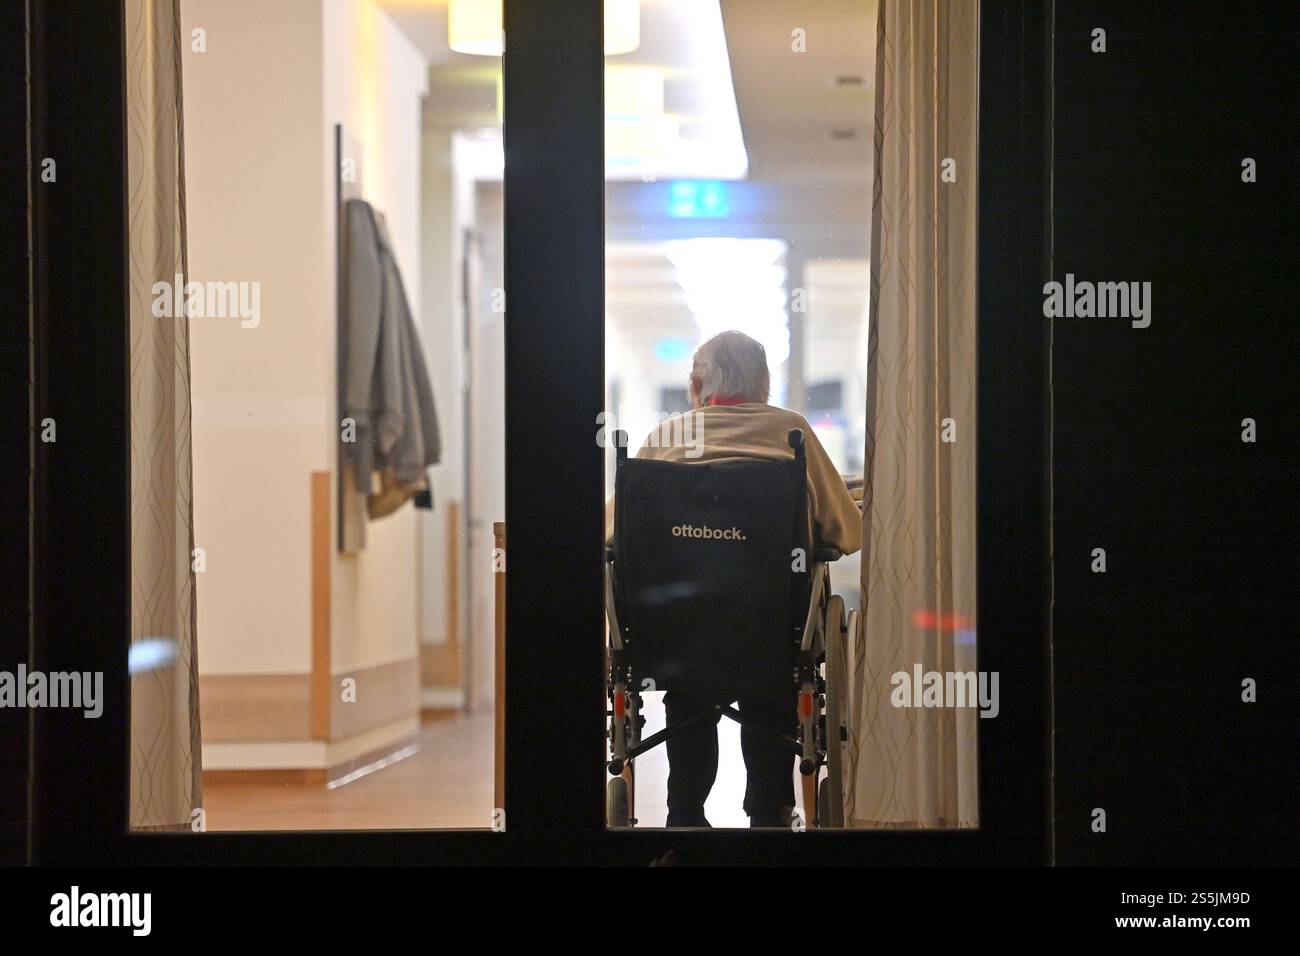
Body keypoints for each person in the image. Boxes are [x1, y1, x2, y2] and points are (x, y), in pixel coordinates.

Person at [607, 330, 861, 828]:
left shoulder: (668, 438)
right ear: (763, 385)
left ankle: (684, 813)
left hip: (676, 636)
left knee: (686, 686)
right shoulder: (794, 433)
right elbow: (845, 533)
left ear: (698, 384)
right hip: (770, 629)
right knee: (772, 688)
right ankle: (769, 811)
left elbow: (615, 535)